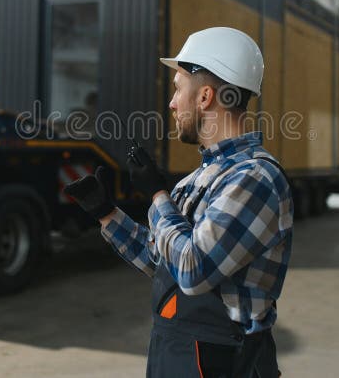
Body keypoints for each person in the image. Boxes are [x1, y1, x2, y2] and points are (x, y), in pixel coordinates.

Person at [64, 27, 293, 377]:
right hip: (177, 350)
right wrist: (107, 214)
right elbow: (163, 261)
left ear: (204, 97)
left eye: (177, 88)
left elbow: (193, 270)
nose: (172, 103)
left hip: (224, 360)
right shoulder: (199, 179)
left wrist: (158, 197)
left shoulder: (255, 179)